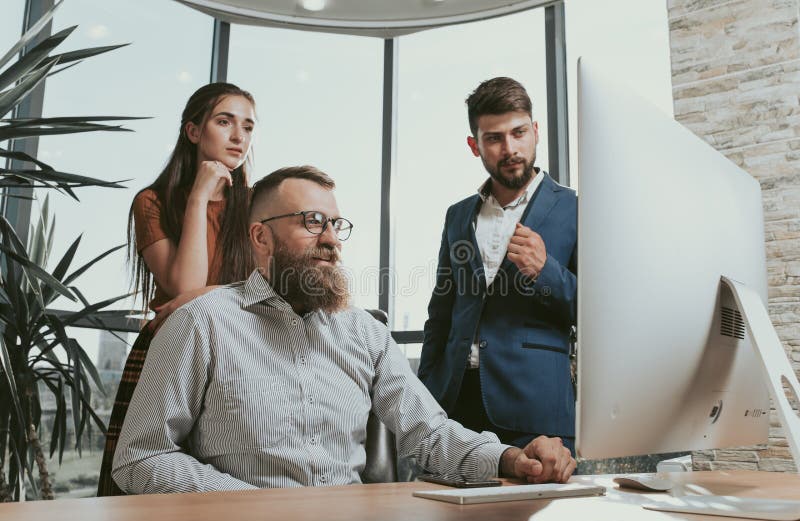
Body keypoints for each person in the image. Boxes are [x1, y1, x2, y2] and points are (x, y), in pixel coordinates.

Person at [111, 166, 576, 494]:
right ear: (260, 237)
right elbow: (140, 458)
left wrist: (510, 458)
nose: (332, 239)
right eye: (312, 222)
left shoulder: (364, 334)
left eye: (335, 224)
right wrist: (254, 508)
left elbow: (429, 433)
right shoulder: (202, 322)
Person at [97, 82, 257, 496]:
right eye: (225, 122)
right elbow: (186, 287)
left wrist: (208, 296)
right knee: (152, 480)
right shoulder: (152, 202)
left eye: (248, 126)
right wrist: (200, 196)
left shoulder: (257, 206)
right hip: (171, 349)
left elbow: (258, 292)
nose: (239, 136)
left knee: (228, 481)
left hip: (240, 350)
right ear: (193, 131)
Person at [417, 77, 577, 453]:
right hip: (454, 409)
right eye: (494, 138)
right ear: (474, 145)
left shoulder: (575, 208)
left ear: (535, 131)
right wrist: (427, 391)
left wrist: (546, 270)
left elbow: (600, 312)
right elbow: (441, 313)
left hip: (536, 411)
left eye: (519, 133)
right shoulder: (458, 216)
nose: (510, 149)